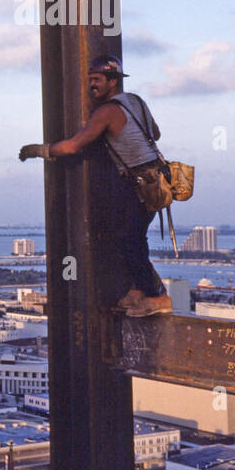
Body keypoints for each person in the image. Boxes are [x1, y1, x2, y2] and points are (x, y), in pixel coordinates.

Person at [18, 55, 172, 317]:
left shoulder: (106, 111)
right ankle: (139, 290)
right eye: (90, 80)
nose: (91, 85)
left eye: (97, 80)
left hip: (140, 181)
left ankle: (157, 297)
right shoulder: (136, 101)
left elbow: (73, 146)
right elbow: (154, 134)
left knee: (129, 239)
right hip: (157, 177)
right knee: (131, 236)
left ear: (113, 81)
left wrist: (38, 150)